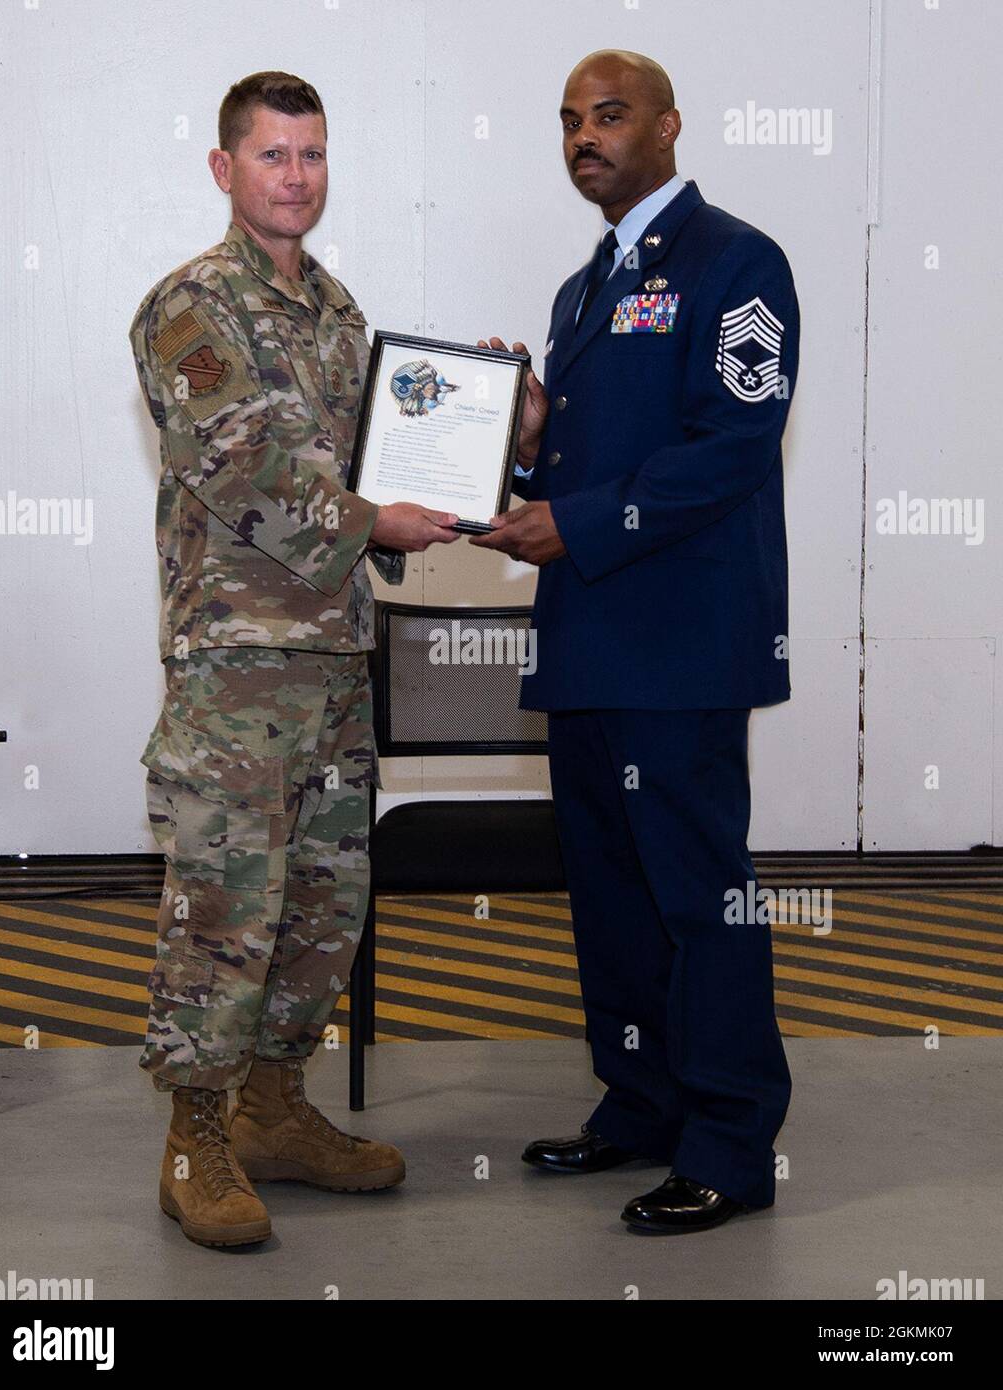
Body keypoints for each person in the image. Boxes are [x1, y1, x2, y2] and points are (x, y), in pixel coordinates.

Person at [130, 71, 459, 1248]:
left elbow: (377, 459)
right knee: (225, 906)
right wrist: (378, 521)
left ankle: (276, 1106)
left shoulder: (340, 313)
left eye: (313, 155)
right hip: (234, 671)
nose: (297, 177)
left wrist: (474, 434)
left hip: (329, 662)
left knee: (323, 906)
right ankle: (194, 1134)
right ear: (225, 170)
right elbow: (243, 473)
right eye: (274, 156)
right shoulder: (187, 308)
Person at [472, 49, 799, 1233]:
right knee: (609, 896)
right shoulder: (580, 290)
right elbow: (583, 460)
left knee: (700, 900)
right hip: (589, 640)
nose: (583, 139)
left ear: (666, 127)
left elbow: (731, 443)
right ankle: (640, 1100)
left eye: (607, 117)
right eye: (567, 121)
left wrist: (581, 516)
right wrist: (526, 443)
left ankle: (725, 1141)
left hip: (681, 645)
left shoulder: (737, 261)